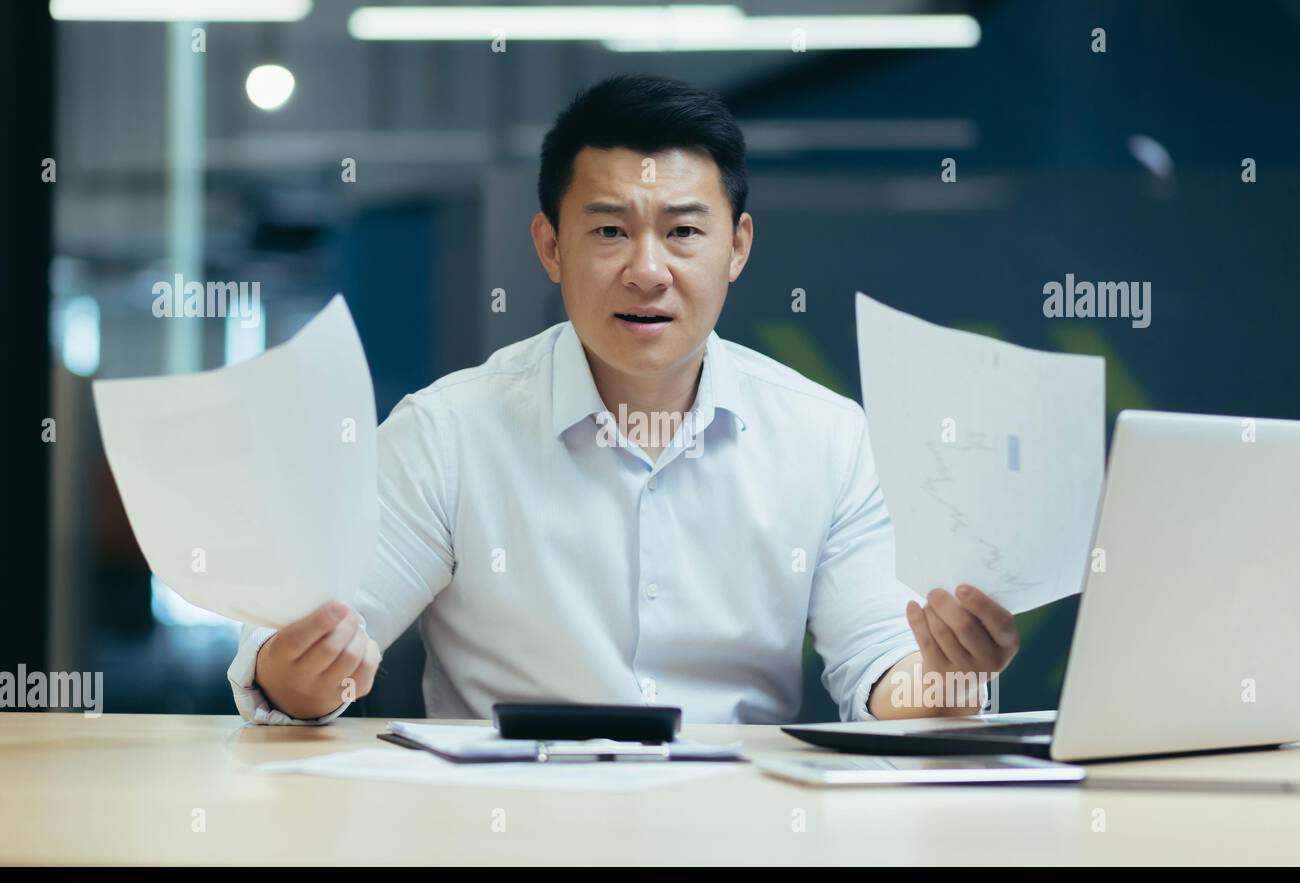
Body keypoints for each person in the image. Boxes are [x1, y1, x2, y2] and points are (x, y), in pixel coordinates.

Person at [229, 73, 1018, 726]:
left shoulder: (827, 439)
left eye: (683, 232)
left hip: (738, 834)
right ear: (550, 246)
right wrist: (302, 673)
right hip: (504, 829)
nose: (647, 270)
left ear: (736, 247)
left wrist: (950, 680)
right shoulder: (450, 431)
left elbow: (882, 672)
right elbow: (304, 655)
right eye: (609, 232)